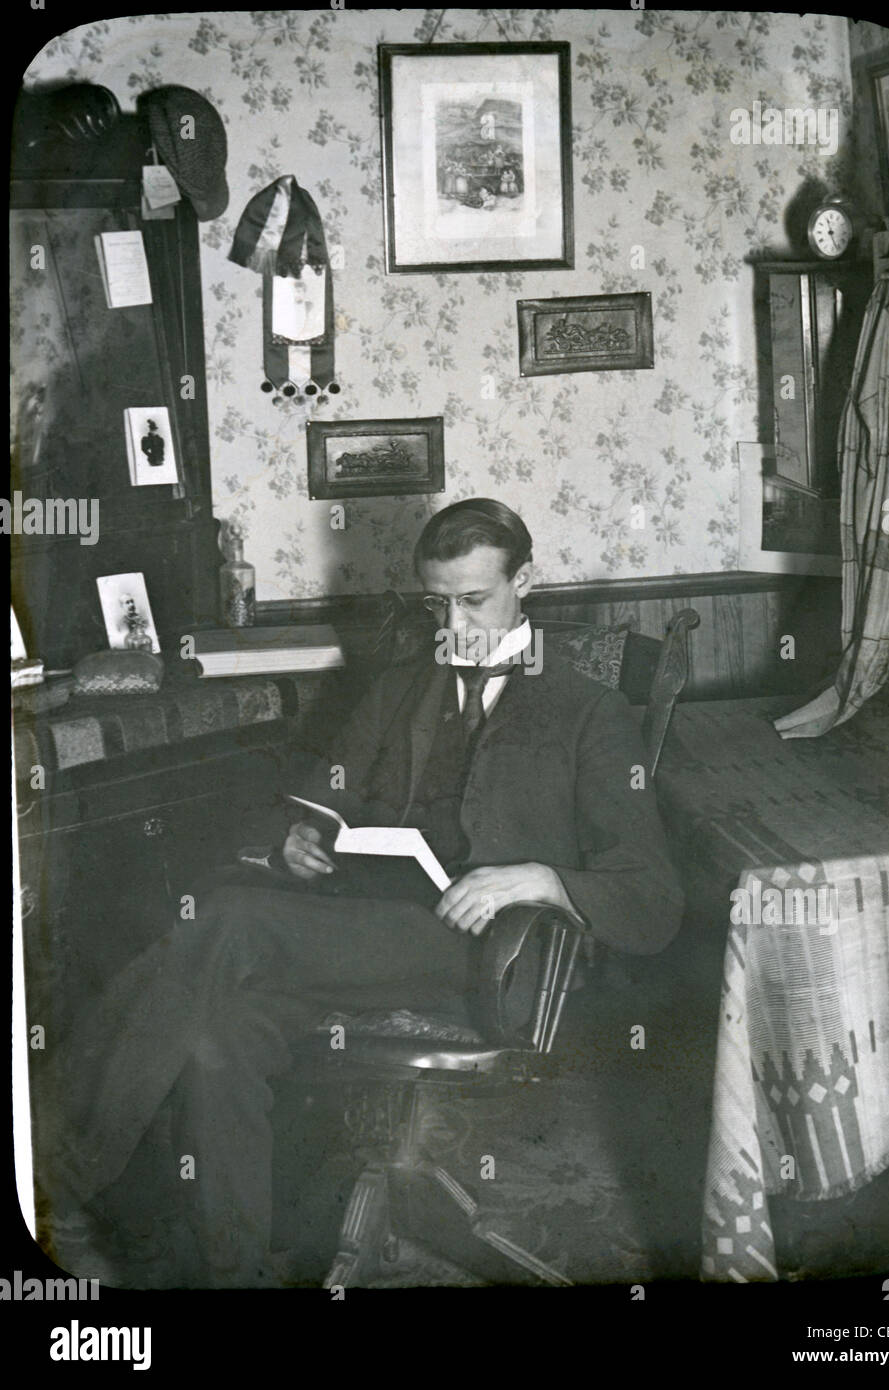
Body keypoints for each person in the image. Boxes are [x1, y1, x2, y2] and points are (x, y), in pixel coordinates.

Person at [43, 498, 683, 1287]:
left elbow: (651, 900)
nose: (454, 622)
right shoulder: (400, 687)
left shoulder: (588, 711)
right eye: (436, 602)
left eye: (473, 599)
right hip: (346, 936)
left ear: (526, 580)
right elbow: (320, 795)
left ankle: (56, 1185)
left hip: (483, 954)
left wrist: (540, 878)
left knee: (233, 921)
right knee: (220, 1039)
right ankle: (235, 1275)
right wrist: (299, 835)